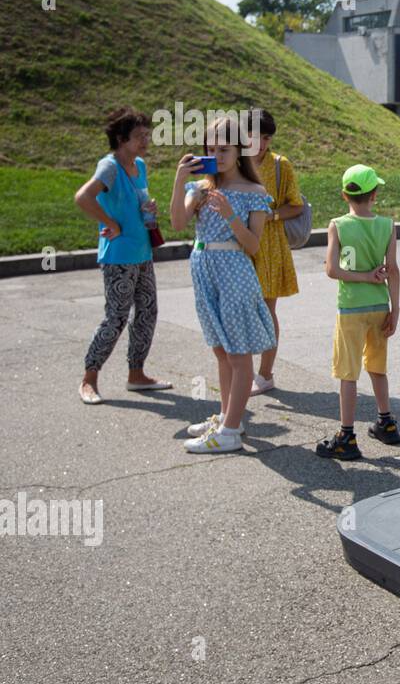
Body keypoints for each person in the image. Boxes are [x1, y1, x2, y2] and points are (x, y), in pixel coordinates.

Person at [169, 116, 278, 453]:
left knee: (238, 352)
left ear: (240, 151)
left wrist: (230, 213)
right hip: (203, 269)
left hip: (234, 271)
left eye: (224, 149)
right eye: (211, 148)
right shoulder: (201, 188)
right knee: (220, 350)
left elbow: (253, 246)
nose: (217, 154)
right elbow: (176, 224)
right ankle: (230, 416)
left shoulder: (254, 192)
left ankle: (229, 431)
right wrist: (179, 181)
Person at [74, 107, 172, 404]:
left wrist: (149, 210)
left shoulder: (139, 165)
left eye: (147, 135)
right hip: (118, 256)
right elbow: (83, 197)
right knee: (116, 317)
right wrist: (110, 222)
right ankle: (89, 379)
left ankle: (136, 374)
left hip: (141, 251)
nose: (146, 141)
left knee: (147, 312)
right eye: (139, 137)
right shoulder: (110, 166)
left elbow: (135, 200)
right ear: (121, 138)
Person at [317, 164, 400, 460]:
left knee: (348, 372)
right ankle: (386, 422)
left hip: (351, 307)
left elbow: (332, 270)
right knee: (377, 366)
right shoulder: (388, 226)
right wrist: (396, 307)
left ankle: (347, 436)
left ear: (344, 195)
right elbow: (391, 270)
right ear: (374, 194)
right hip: (380, 306)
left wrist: (364, 276)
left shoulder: (338, 225)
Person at [247, 108, 304, 395]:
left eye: (267, 137)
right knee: (239, 308)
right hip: (238, 242)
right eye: (257, 136)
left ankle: (265, 373)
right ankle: (241, 370)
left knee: (267, 310)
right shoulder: (233, 160)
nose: (263, 143)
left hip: (269, 243)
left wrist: (271, 216)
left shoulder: (281, 165)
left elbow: (297, 205)